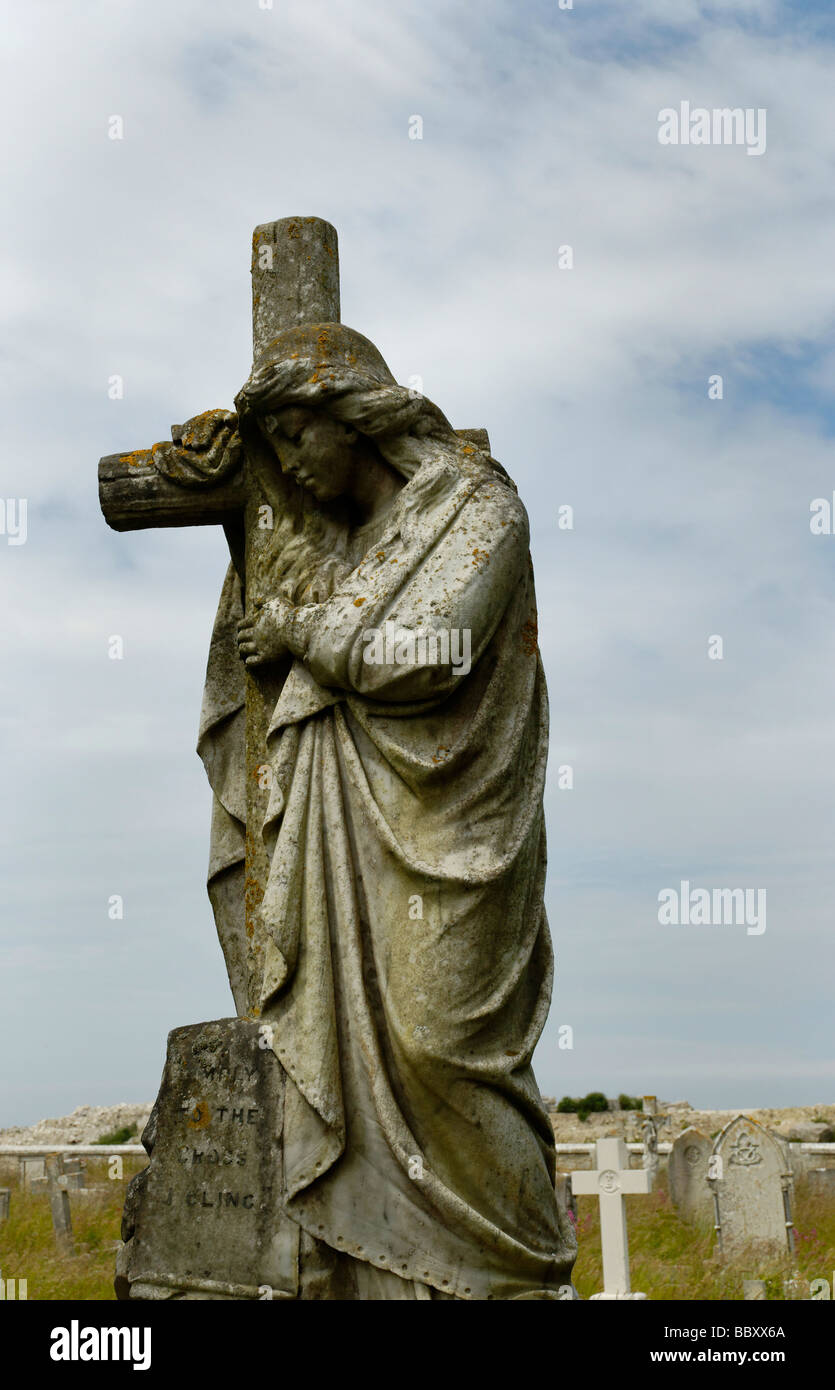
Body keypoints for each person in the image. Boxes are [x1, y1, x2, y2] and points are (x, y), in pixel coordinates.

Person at [172, 322, 576, 1299]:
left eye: (298, 440)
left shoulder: (480, 504)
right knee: (334, 1045)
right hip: (338, 825)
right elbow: (274, 594)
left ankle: (515, 1275)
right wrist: (228, 485)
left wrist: (303, 633)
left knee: (442, 1047)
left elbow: (428, 649)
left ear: (353, 419)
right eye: (272, 452)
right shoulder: (324, 532)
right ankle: (370, 1271)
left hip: (455, 834)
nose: (290, 467)